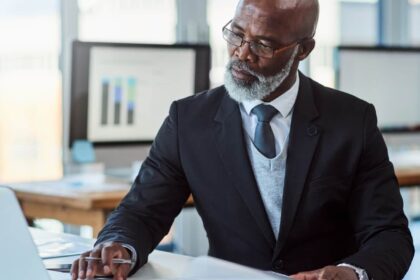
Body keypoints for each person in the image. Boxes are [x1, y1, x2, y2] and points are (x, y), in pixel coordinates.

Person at [71, 0, 414, 279]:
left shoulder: (352, 121)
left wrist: (351, 274)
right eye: (236, 34)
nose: (241, 53)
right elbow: (142, 212)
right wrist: (119, 246)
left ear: (303, 50)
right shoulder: (188, 120)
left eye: (263, 44)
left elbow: (390, 235)